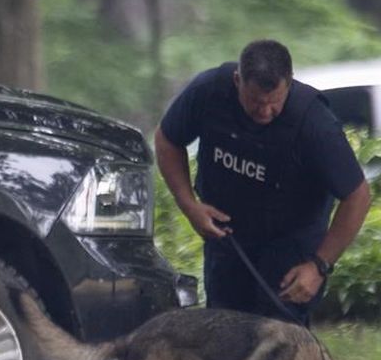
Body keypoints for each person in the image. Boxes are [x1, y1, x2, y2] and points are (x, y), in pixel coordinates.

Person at [155, 39, 371, 327]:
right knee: (225, 334)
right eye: (256, 102)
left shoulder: (314, 123)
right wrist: (189, 205)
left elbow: (358, 196)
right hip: (228, 237)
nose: (265, 112)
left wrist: (319, 266)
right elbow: (167, 139)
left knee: (277, 347)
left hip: (291, 247)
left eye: (275, 103)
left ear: (289, 84)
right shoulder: (209, 92)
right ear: (237, 81)